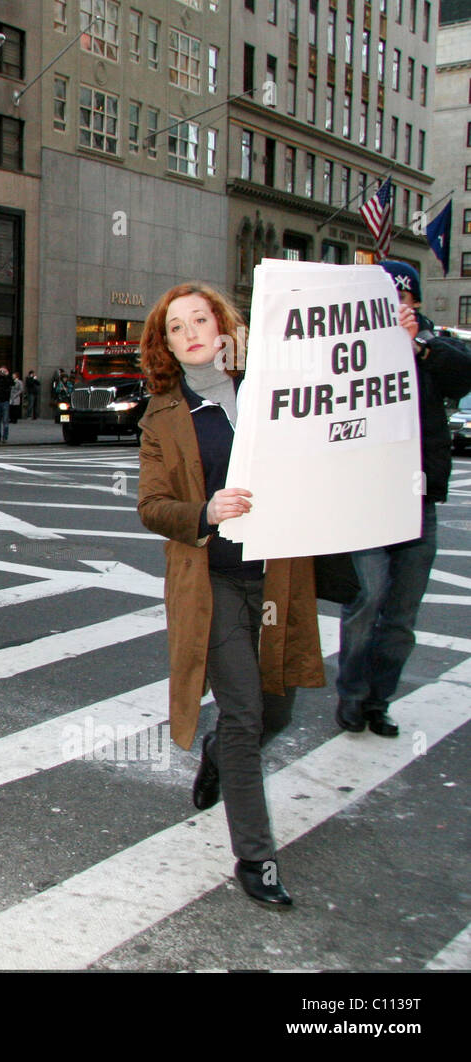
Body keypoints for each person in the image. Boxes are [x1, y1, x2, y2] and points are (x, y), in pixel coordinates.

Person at [137, 282, 324, 907]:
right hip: (211, 585)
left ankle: (217, 752)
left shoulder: (276, 394)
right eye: (175, 327)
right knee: (244, 716)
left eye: (200, 319)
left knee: (279, 713)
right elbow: (153, 506)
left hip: (280, 580)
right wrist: (206, 509)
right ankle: (256, 858)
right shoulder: (163, 415)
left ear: (223, 327)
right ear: (164, 345)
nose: (190, 332)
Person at [335, 262, 471, 738]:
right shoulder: (351, 347)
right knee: (367, 598)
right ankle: (350, 695)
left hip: (418, 500)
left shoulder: (435, 348)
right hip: (368, 497)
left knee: (402, 613)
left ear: (413, 304)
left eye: (403, 302)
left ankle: (379, 699)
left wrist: (415, 344)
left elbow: (463, 375)